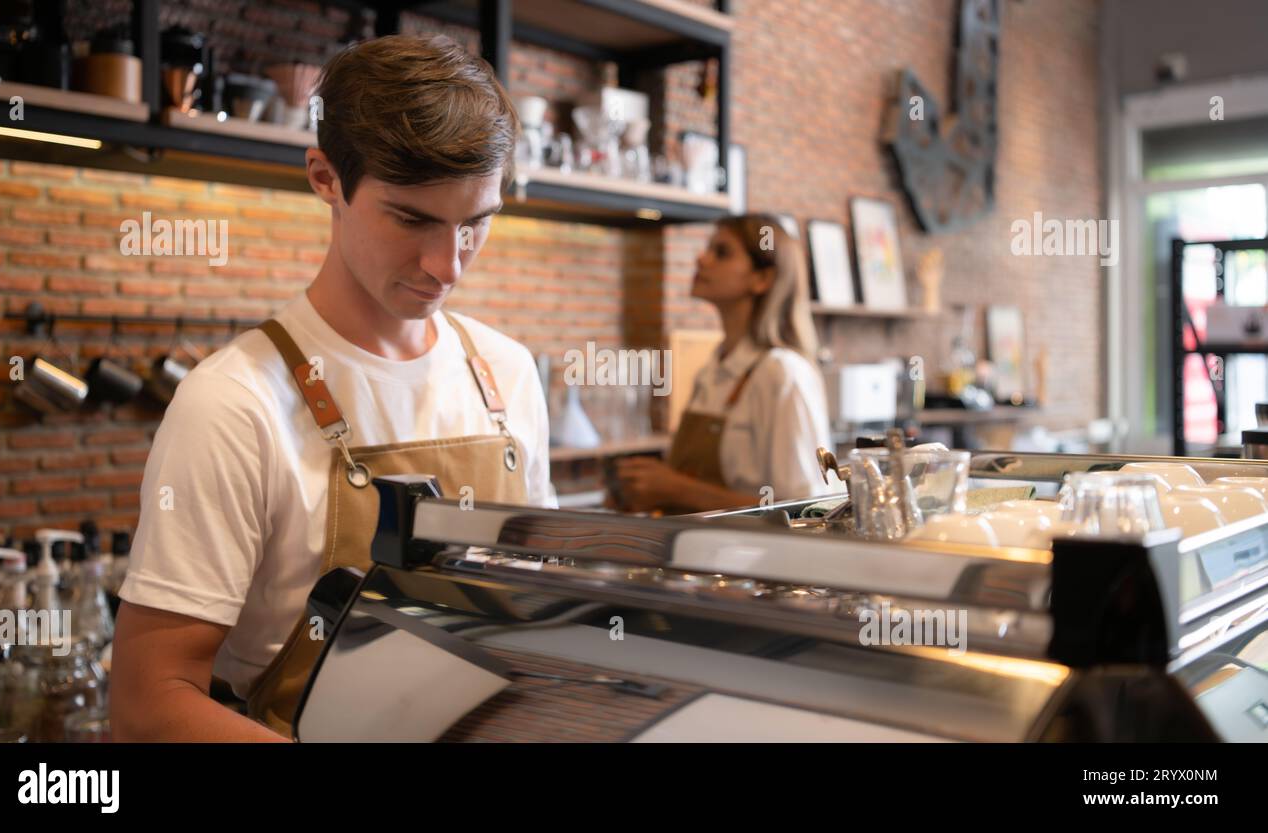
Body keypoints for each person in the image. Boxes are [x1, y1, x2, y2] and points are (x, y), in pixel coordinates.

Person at [110, 34, 553, 741]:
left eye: (477, 223)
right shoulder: (232, 402)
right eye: (412, 218)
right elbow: (147, 703)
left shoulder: (507, 371)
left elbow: (534, 613)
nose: (448, 266)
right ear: (324, 177)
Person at [616, 214, 833, 514]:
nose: (702, 259)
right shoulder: (712, 370)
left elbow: (805, 509)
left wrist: (677, 489)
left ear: (762, 279)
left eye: (722, 252)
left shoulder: (782, 372)